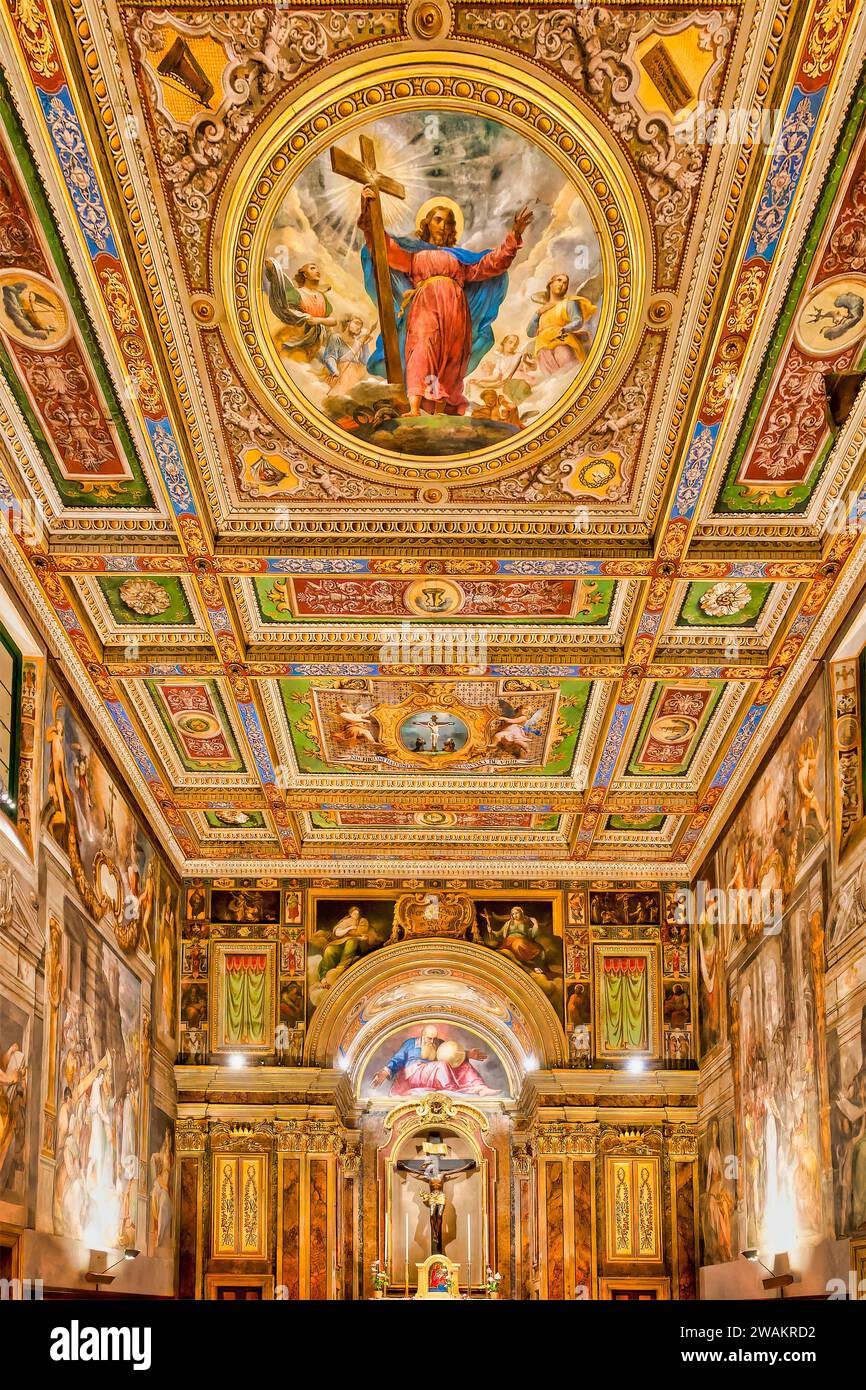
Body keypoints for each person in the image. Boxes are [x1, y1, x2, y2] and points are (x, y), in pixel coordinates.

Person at [359, 188, 533, 416]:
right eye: (438, 220)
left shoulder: (459, 258)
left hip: (456, 310)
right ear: (427, 223)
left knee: (451, 356)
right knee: (421, 348)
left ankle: (439, 409)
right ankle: (414, 407)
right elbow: (385, 250)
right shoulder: (413, 255)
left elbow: (491, 263)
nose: (443, 226)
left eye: (448, 222)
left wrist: (514, 235)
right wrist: (369, 211)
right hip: (426, 306)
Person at [371, 1023, 495, 1096]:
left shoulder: (438, 1043)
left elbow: (451, 1053)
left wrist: (467, 1054)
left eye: (434, 1038)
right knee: (441, 1065)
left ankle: (480, 1087)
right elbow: (397, 1060)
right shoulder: (411, 1043)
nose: (432, 1041)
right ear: (423, 1035)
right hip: (414, 1075)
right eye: (429, 1038)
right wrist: (384, 1073)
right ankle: (452, 1093)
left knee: (462, 1064)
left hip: (436, 1075)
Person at [527, 273, 597, 374]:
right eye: (559, 280)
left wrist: (565, 329)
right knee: (553, 379)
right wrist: (537, 314)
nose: (562, 284)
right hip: (542, 348)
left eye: (565, 283)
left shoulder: (569, 303)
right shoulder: (542, 310)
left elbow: (578, 320)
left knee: (569, 372)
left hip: (561, 340)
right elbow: (530, 333)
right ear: (550, 284)